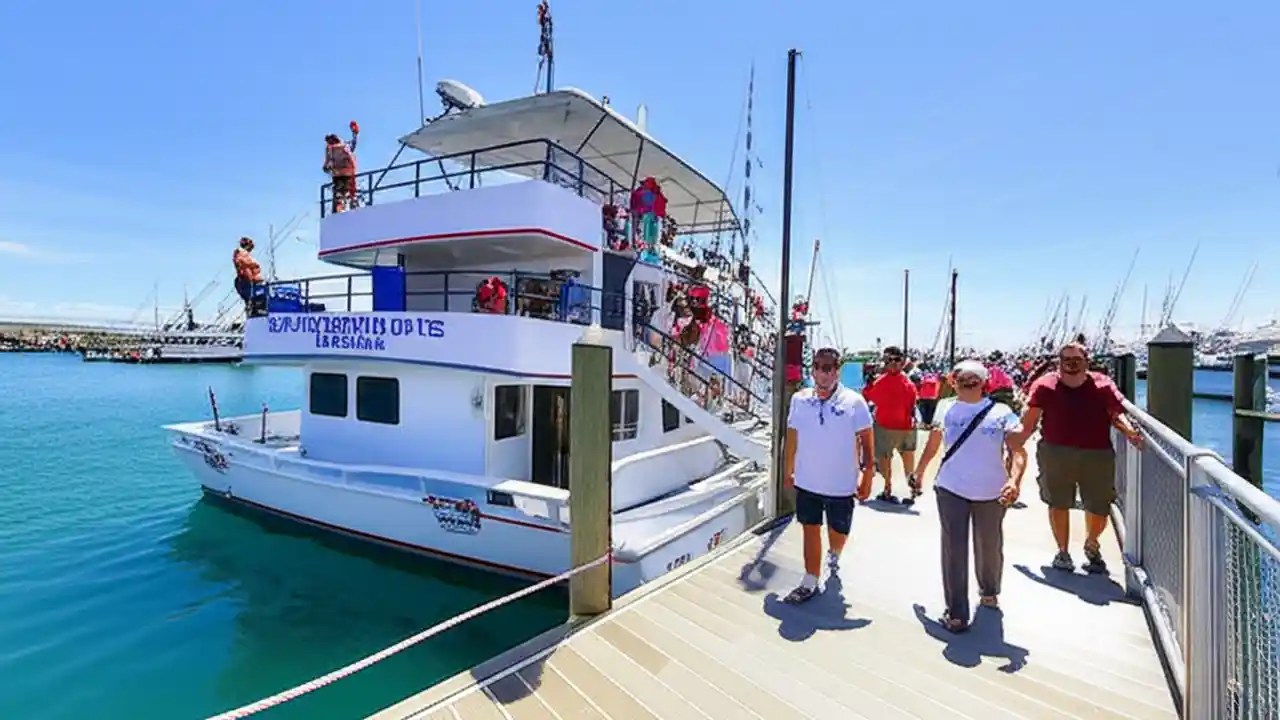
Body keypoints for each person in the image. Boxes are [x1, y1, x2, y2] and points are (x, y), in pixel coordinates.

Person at [916, 360, 1027, 632]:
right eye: (962, 377)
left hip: (992, 490)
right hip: (951, 486)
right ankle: (956, 612)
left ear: (984, 382)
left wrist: (1014, 480)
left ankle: (989, 591)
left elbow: (1018, 451)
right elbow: (933, 444)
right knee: (954, 548)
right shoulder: (945, 407)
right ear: (953, 381)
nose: (968, 381)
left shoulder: (1001, 411)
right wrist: (919, 472)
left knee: (989, 544)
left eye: (974, 377)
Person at [1017, 341, 1143, 573]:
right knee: (1058, 502)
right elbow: (1030, 420)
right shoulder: (1045, 385)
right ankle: (1062, 552)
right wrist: (1016, 442)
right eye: (1067, 360)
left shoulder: (1103, 385)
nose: (1072, 365)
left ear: (1087, 362)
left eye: (1077, 360)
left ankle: (1092, 543)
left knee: (1099, 505)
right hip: (1055, 452)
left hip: (1097, 453)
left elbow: (1116, 414)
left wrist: (1131, 433)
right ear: (1059, 363)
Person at [782, 346, 875, 604]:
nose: (823, 373)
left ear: (837, 370)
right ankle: (809, 580)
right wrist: (788, 469)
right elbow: (792, 437)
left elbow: (867, 439)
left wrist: (868, 474)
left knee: (839, 531)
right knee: (810, 529)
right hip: (807, 480)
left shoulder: (855, 402)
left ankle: (834, 553)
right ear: (812, 369)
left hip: (841, 484)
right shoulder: (799, 399)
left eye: (829, 368)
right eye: (819, 367)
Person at [862, 346, 921, 505]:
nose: (893, 363)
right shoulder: (909, 383)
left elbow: (868, 397)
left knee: (885, 459)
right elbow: (913, 403)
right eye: (890, 360)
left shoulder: (880, 381)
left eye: (896, 360)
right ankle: (912, 490)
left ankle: (888, 490)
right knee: (908, 462)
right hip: (906, 427)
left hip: (885, 426)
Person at [324, 131, 358, 213]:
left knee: (343, 192)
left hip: (344, 173)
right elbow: (327, 162)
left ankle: (345, 206)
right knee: (341, 192)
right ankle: (343, 206)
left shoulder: (340, 147)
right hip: (340, 174)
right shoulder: (330, 149)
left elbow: (350, 157)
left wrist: (327, 167)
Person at [232, 237, 263, 316]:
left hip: (249, 282)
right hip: (247, 282)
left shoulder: (242, 254)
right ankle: (254, 312)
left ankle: (254, 311)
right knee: (254, 301)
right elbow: (243, 264)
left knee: (254, 302)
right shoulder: (241, 253)